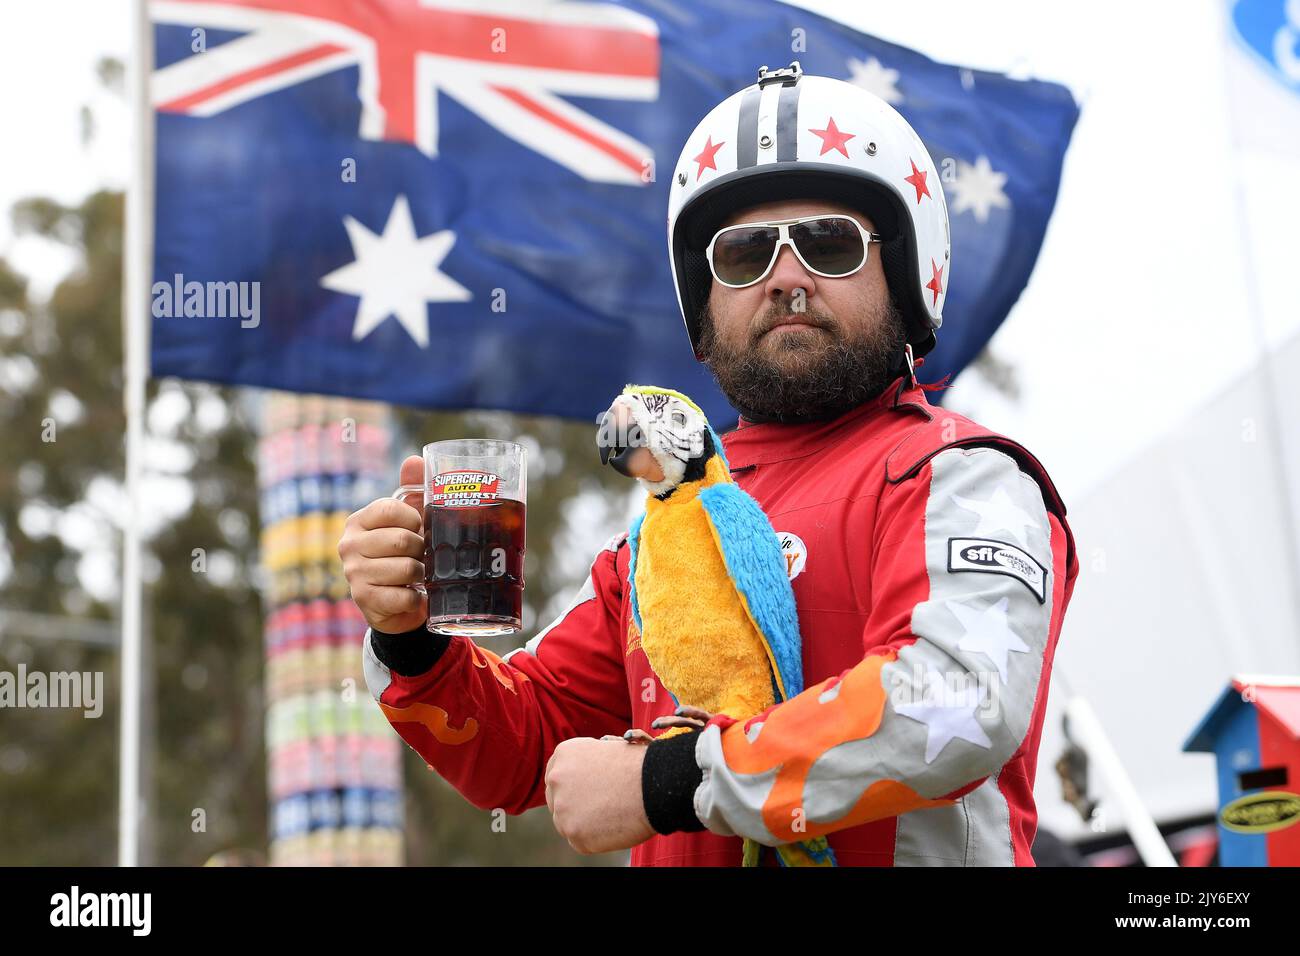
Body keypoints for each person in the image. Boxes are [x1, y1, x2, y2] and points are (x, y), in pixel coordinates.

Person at [338, 63, 1079, 866]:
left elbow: (957, 702)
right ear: (704, 297)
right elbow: (522, 749)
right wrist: (411, 639)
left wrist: (672, 780)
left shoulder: (962, 474)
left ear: (906, 272)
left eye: (828, 243)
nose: (786, 279)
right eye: (744, 254)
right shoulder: (660, 532)